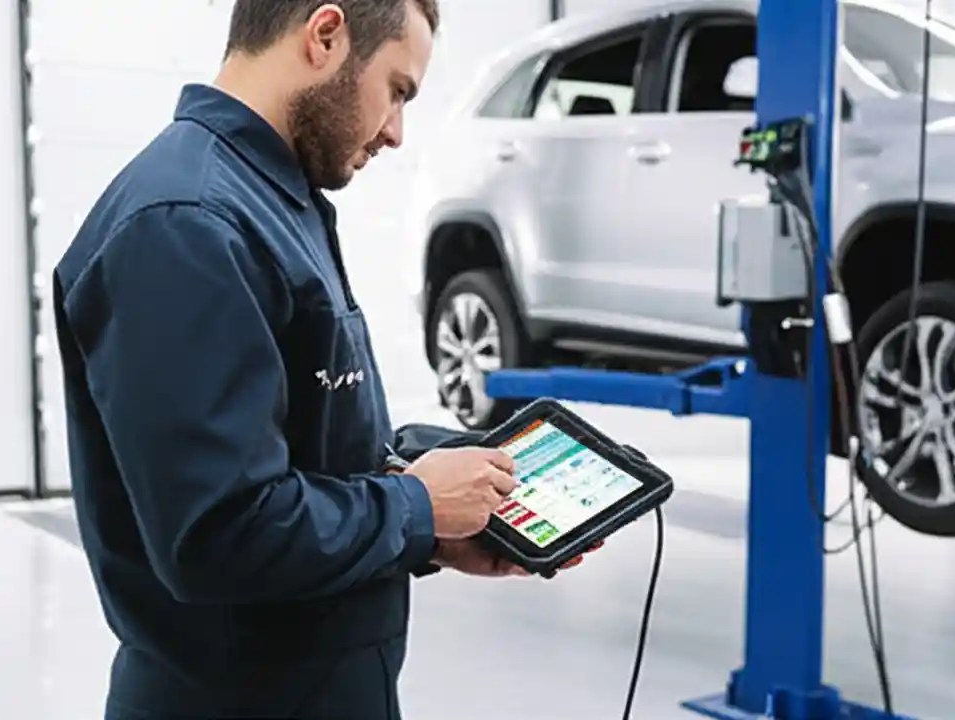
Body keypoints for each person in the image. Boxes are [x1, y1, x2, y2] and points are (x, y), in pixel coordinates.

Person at [52, 1, 590, 717]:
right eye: (397, 89)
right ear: (326, 35)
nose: (396, 131)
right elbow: (221, 533)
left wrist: (436, 530)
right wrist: (416, 506)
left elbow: (306, 452)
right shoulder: (186, 225)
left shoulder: (274, 200)